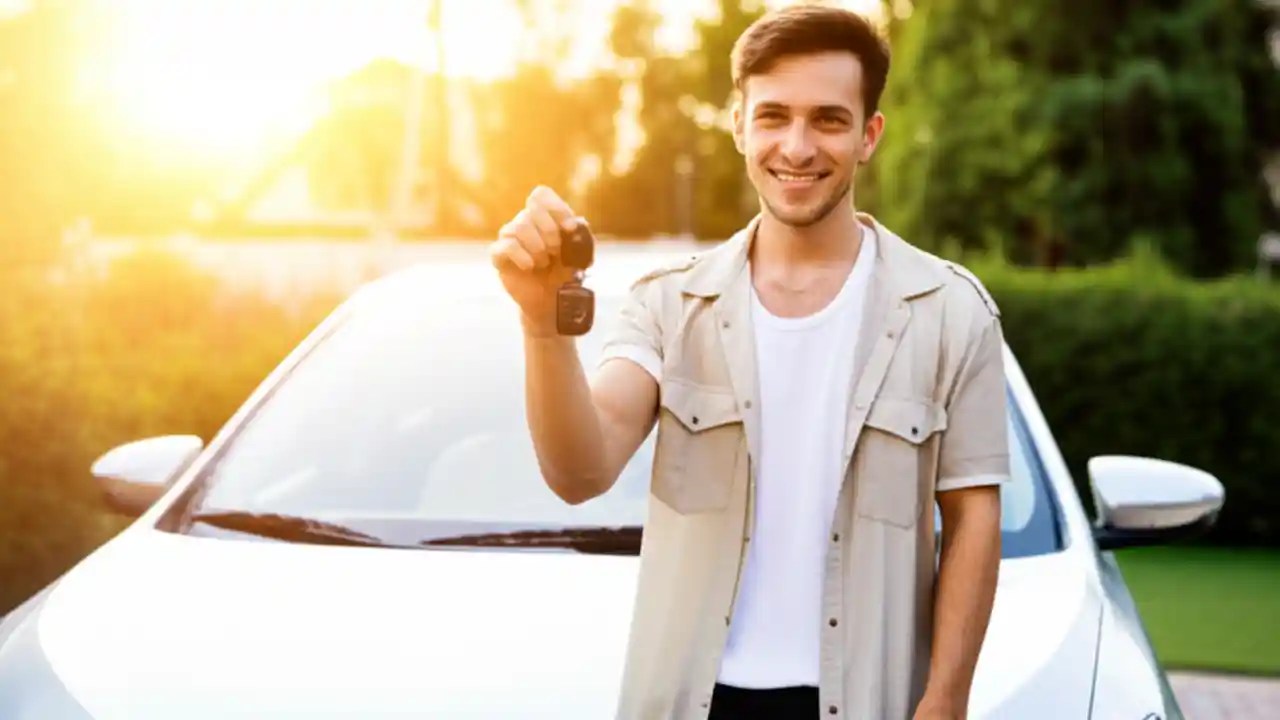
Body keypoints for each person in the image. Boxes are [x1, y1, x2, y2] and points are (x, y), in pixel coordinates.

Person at [488, 6, 1008, 719]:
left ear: (869, 135)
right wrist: (542, 327)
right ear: (738, 124)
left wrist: (946, 700)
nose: (796, 146)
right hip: (694, 702)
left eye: (828, 119)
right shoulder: (668, 304)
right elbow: (581, 470)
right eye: (773, 117)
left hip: (869, 701)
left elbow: (974, 515)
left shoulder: (951, 310)